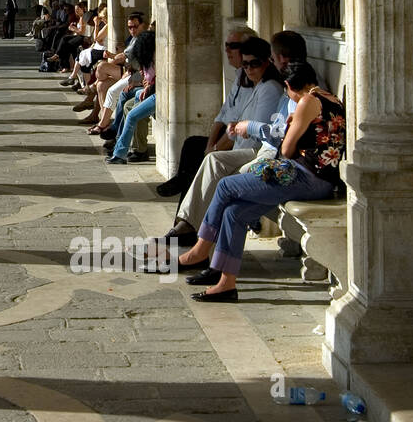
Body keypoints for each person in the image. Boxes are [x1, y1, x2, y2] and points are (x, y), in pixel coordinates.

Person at [178, 62, 345, 301]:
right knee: (235, 213)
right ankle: (226, 283)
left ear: (288, 86)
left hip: (306, 178)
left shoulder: (307, 101)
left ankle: (199, 250)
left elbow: (286, 150)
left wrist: (290, 131)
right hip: (317, 178)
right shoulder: (332, 99)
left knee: (226, 185)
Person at [155, 25, 257, 197]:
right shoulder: (240, 75)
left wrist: (214, 149)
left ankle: (186, 213)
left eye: (233, 46)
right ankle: (182, 189)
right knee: (192, 144)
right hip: (226, 137)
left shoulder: (255, 82)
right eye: (226, 45)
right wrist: (210, 145)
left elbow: (236, 129)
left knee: (196, 166)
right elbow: (223, 114)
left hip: (239, 144)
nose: (227, 50)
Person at [107, 29, 155, 164]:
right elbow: (145, 77)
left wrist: (148, 87)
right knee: (127, 105)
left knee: (133, 115)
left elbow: (159, 81)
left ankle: (120, 153)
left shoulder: (156, 58)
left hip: (156, 95)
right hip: (147, 92)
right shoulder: (146, 60)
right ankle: (134, 146)